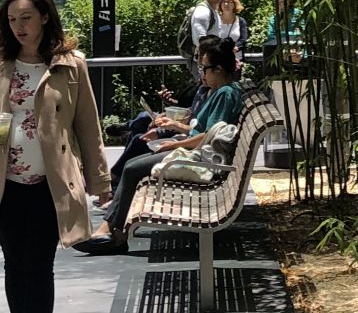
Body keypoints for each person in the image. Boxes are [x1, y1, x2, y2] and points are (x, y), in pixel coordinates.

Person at [0, 0, 111, 313]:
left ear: (45, 17)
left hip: (52, 184)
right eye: (13, 20)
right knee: (15, 267)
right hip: (6, 182)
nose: (19, 27)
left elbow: (88, 127)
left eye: (27, 18)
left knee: (40, 267)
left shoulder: (71, 66)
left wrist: (100, 182)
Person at [75, 35, 243, 254]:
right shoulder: (220, 92)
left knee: (133, 168)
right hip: (193, 152)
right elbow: (202, 132)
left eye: (205, 69)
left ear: (219, 69)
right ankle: (113, 230)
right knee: (134, 163)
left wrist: (171, 146)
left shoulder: (225, 94)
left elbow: (206, 137)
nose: (202, 74)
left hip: (199, 159)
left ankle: (113, 233)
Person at [179, 0, 228, 89]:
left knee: (208, 94)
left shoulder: (213, 10)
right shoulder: (203, 11)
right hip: (205, 64)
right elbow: (200, 42)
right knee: (205, 93)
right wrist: (204, 68)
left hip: (211, 63)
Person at [214, 0, 250, 70]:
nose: (226, 4)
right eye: (223, 2)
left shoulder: (241, 21)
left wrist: (235, 47)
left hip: (236, 60)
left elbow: (243, 39)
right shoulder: (215, 21)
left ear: (235, 4)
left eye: (229, 2)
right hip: (218, 60)